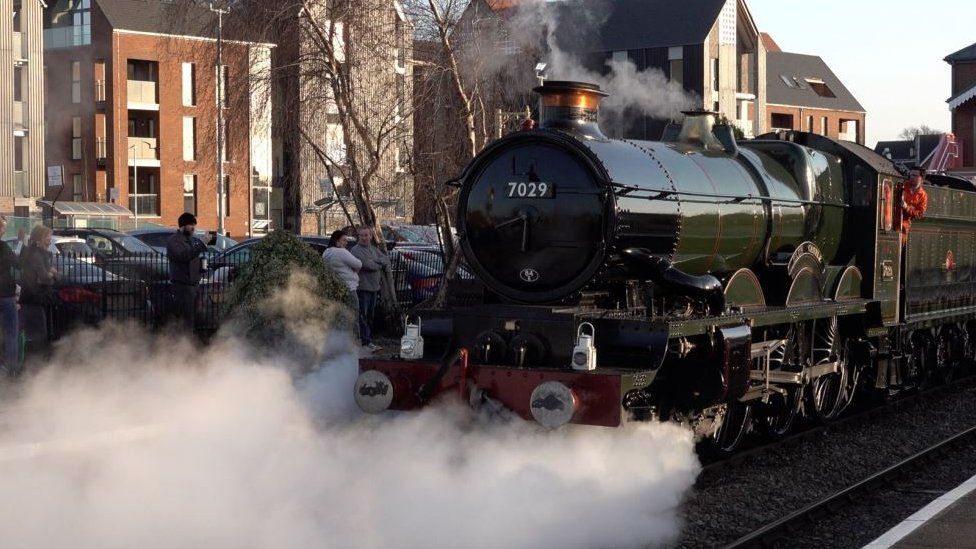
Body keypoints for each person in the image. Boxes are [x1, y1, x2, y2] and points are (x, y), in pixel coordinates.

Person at [166, 212, 212, 331]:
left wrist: (201, 267)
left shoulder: (190, 239)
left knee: (194, 318)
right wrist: (202, 244)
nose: (193, 228)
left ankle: (189, 344)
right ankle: (184, 345)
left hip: (193, 285)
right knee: (186, 321)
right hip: (182, 286)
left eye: (194, 225)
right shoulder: (174, 241)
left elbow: (192, 257)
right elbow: (184, 256)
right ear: (183, 225)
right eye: (191, 225)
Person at [351, 226, 389, 351]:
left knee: (370, 317)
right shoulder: (355, 250)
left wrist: (375, 261)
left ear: (371, 236)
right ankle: (365, 342)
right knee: (363, 316)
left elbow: (386, 259)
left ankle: (368, 341)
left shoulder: (374, 249)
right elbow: (368, 265)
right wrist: (377, 263)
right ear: (359, 236)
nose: (364, 237)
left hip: (374, 288)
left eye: (366, 235)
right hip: (363, 288)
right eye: (362, 235)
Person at [19, 225, 58, 350]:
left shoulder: (42, 255)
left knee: (35, 334)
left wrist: (50, 275)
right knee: (39, 335)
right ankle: (36, 364)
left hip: (36, 299)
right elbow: (44, 277)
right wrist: (51, 273)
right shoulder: (36, 255)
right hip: (34, 299)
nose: (49, 240)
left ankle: (34, 362)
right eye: (47, 237)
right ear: (39, 239)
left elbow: (48, 277)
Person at [322, 229, 362, 319]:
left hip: (335, 288)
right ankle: (353, 333)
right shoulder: (341, 252)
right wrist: (355, 269)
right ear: (337, 241)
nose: (346, 243)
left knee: (339, 316)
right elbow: (359, 264)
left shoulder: (326, 252)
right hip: (349, 288)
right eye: (344, 240)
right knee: (353, 316)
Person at [0, 217, 19, 374]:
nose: (4, 230)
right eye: (3, 228)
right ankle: (11, 368)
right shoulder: (3, 247)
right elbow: (18, 263)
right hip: (5, 295)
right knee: (11, 332)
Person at [900, 168, 929, 238]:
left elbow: (920, 214)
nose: (912, 177)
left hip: (906, 225)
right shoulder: (902, 186)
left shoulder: (923, 195)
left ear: (921, 178)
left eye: (915, 175)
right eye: (911, 175)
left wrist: (907, 208)